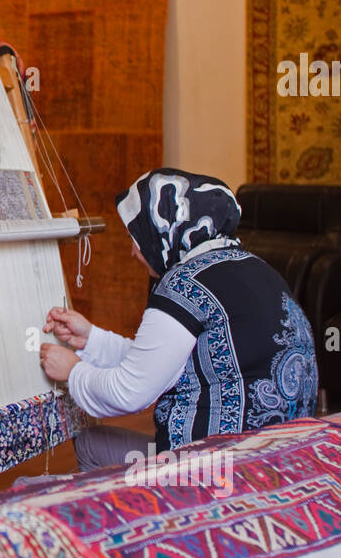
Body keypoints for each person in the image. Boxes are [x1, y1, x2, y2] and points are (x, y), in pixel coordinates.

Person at [39, 168, 319, 470]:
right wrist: (92, 339)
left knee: (91, 445)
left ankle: (149, 513)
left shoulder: (182, 285)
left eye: (137, 236)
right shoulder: (256, 268)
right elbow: (167, 364)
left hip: (214, 469)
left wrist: (73, 371)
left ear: (162, 232)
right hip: (278, 459)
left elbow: (129, 392)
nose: (133, 251)